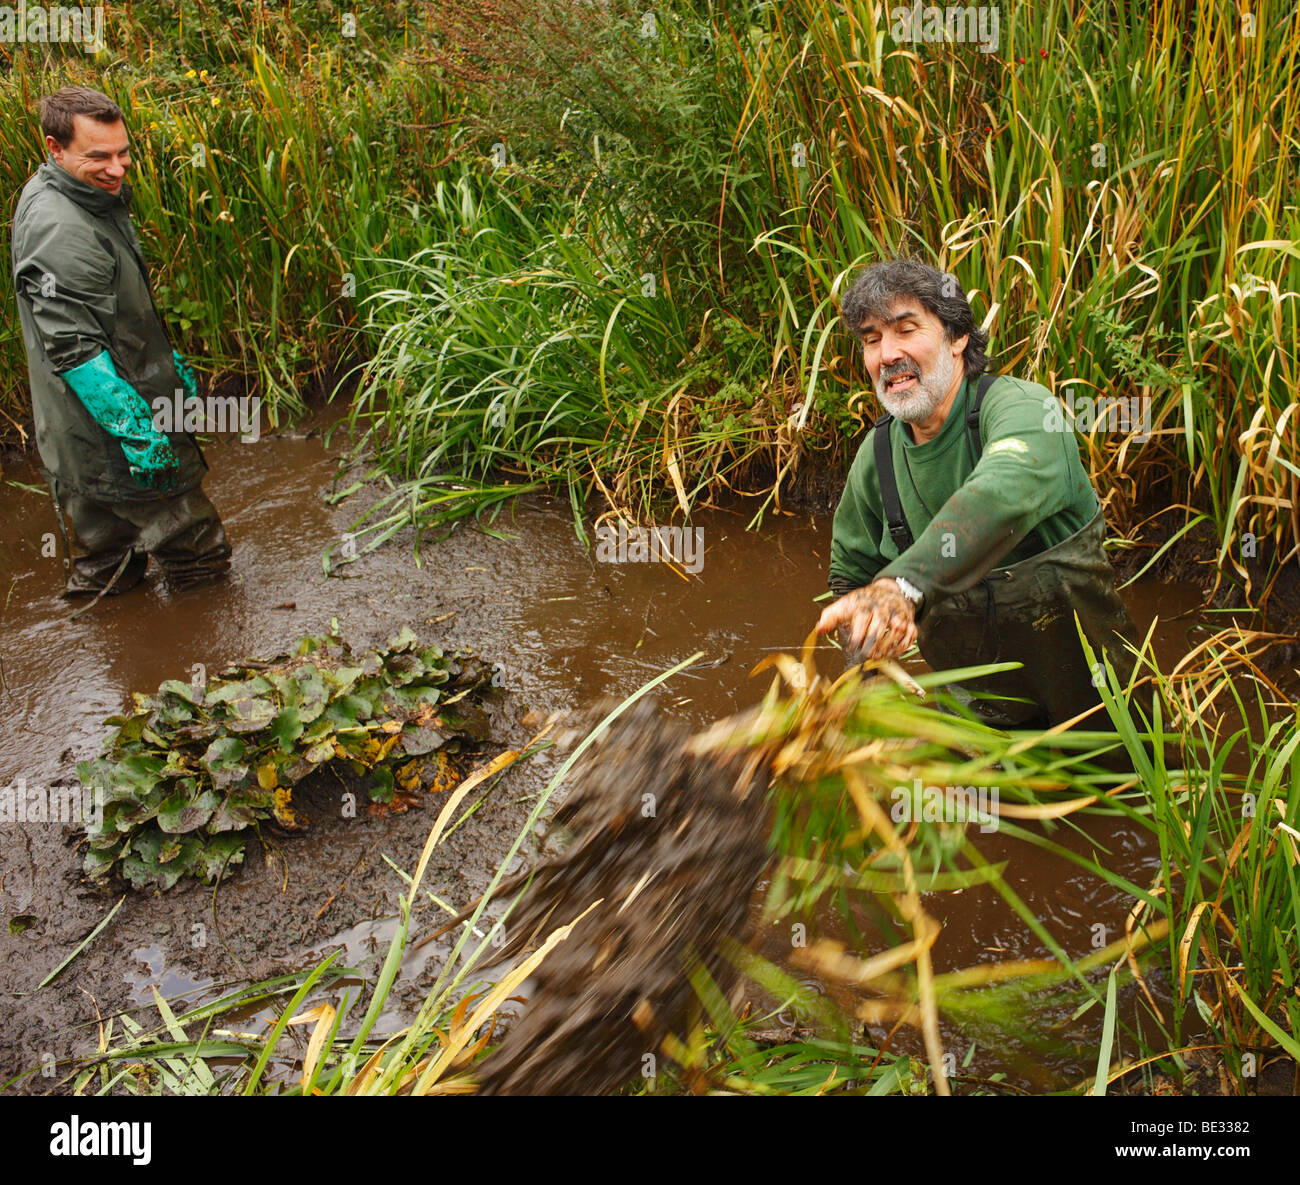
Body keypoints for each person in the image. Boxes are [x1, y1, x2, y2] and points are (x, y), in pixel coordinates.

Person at [815, 257, 1139, 730]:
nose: (886, 354)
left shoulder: (1023, 410)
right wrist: (862, 679)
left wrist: (903, 586)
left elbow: (1002, 491)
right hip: (980, 729)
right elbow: (850, 579)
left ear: (957, 337)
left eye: (906, 330)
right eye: (871, 339)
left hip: (1105, 711)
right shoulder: (877, 457)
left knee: (1131, 802)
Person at [10, 85, 231, 597]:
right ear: (55, 148)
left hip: (71, 437)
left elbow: (95, 309)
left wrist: (165, 358)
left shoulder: (65, 192)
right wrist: (139, 433)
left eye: (122, 152)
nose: (117, 168)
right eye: (99, 157)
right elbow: (74, 347)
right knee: (199, 557)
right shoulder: (61, 228)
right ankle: (213, 667)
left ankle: (122, 664)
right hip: (114, 437)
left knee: (105, 569)